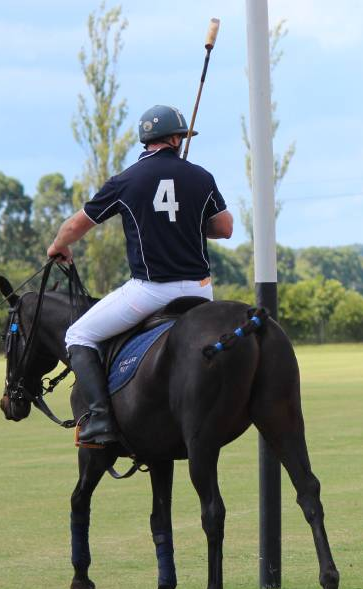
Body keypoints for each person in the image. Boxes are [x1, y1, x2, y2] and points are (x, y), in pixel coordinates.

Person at [46, 104, 233, 445]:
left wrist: (59, 245)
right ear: (176, 139)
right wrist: (187, 218)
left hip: (151, 292)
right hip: (201, 293)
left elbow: (76, 225)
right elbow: (224, 228)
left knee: (78, 335)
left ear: (148, 141)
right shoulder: (201, 176)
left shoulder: (125, 180)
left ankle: (101, 420)